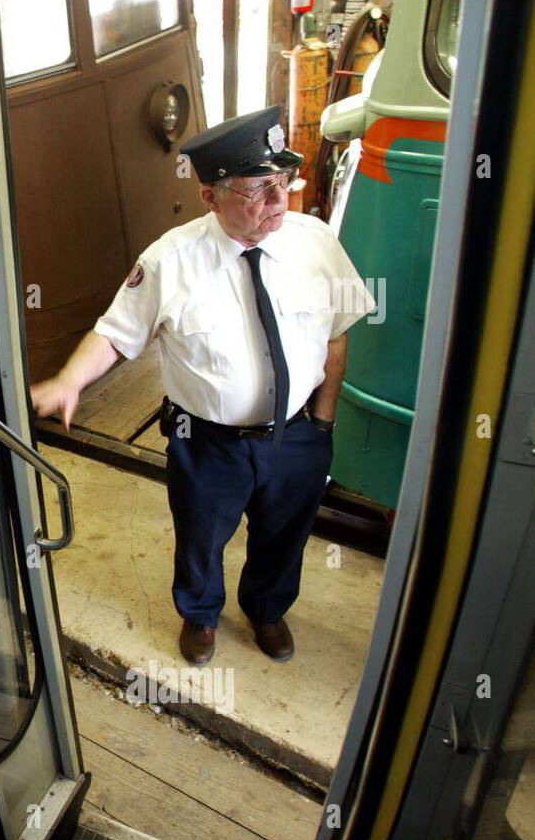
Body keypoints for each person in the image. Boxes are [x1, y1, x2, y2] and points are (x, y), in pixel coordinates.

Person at [30, 106, 374, 666]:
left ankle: (267, 610)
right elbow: (115, 334)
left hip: (298, 435)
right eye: (258, 189)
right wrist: (70, 380)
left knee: (285, 534)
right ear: (211, 197)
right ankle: (200, 614)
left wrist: (323, 421)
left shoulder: (314, 241)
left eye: (283, 181)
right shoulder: (170, 260)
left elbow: (336, 334)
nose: (278, 201)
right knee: (201, 536)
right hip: (209, 442)